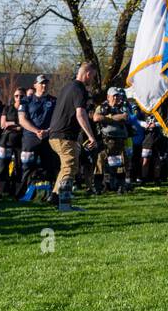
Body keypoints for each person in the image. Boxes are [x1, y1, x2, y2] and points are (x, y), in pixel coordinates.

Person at [46, 61, 99, 211]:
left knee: (66, 167)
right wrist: (91, 136)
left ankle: (55, 196)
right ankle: (64, 204)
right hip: (65, 136)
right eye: (93, 77)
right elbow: (80, 114)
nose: (92, 80)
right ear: (87, 74)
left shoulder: (67, 87)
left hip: (55, 134)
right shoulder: (79, 89)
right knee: (70, 167)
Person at [18, 74, 59, 197]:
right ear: (35, 85)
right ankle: (23, 193)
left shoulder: (54, 101)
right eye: (41, 83)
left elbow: (57, 120)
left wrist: (47, 131)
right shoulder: (26, 100)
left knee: (48, 166)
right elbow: (22, 120)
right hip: (30, 138)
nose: (44, 85)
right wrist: (36, 131)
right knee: (27, 166)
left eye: (46, 83)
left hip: (48, 138)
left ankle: (48, 194)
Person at [93, 87, 131, 193]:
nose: (117, 97)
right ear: (108, 97)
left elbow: (125, 117)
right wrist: (114, 117)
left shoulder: (123, 107)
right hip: (105, 140)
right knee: (100, 163)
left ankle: (120, 187)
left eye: (118, 95)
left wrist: (105, 118)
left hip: (120, 140)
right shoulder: (101, 107)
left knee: (121, 164)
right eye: (114, 95)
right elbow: (96, 118)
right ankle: (98, 187)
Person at [0, 88, 26, 197]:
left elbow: (25, 126)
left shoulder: (26, 109)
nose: (19, 98)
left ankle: (17, 193)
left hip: (21, 143)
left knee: (19, 167)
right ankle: (0, 192)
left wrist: (11, 125)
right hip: (6, 142)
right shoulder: (8, 108)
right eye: (16, 96)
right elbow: (2, 124)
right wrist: (17, 124)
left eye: (22, 96)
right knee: (3, 166)